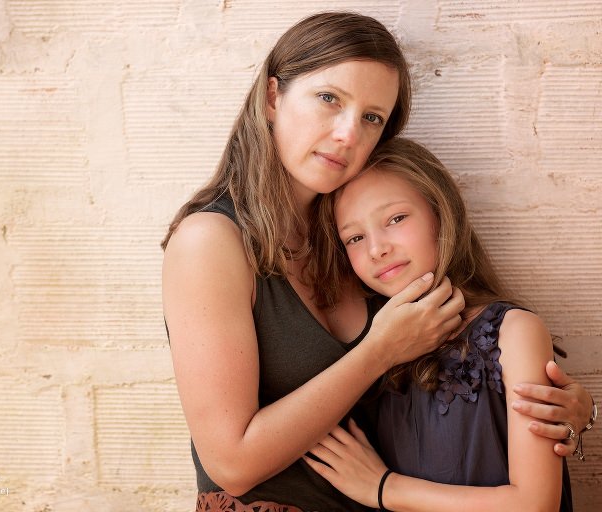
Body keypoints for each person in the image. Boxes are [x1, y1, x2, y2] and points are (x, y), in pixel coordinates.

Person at [161, 11, 594, 512]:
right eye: (329, 99)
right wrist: (377, 352)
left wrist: (564, 410)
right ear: (272, 97)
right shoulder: (209, 241)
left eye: (372, 118)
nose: (348, 134)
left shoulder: (354, 241)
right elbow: (231, 463)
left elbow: (453, 381)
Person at [304, 137, 576, 511]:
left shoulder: (513, 333)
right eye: (354, 237)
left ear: (440, 212)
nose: (376, 249)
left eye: (396, 219)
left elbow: (535, 504)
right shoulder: (361, 350)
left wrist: (381, 488)